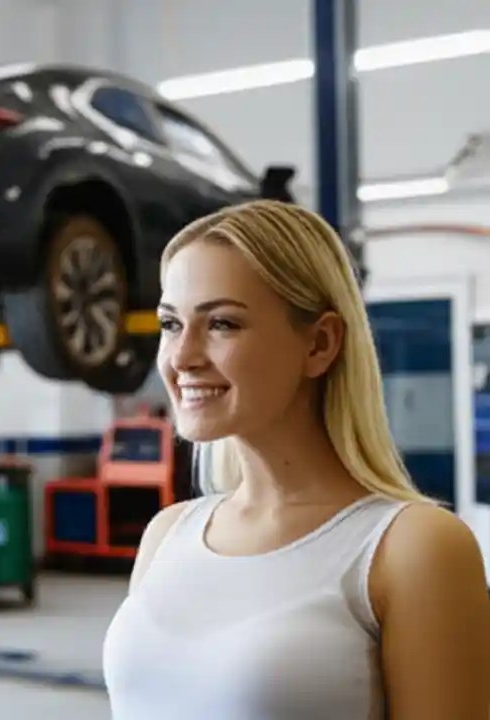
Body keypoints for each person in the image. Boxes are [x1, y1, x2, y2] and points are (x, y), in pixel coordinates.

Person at [102, 200, 490, 719]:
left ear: (320, 344)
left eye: (221, 323)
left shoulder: (412, 549)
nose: (181, 357)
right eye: (171, 324)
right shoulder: (167, 535)